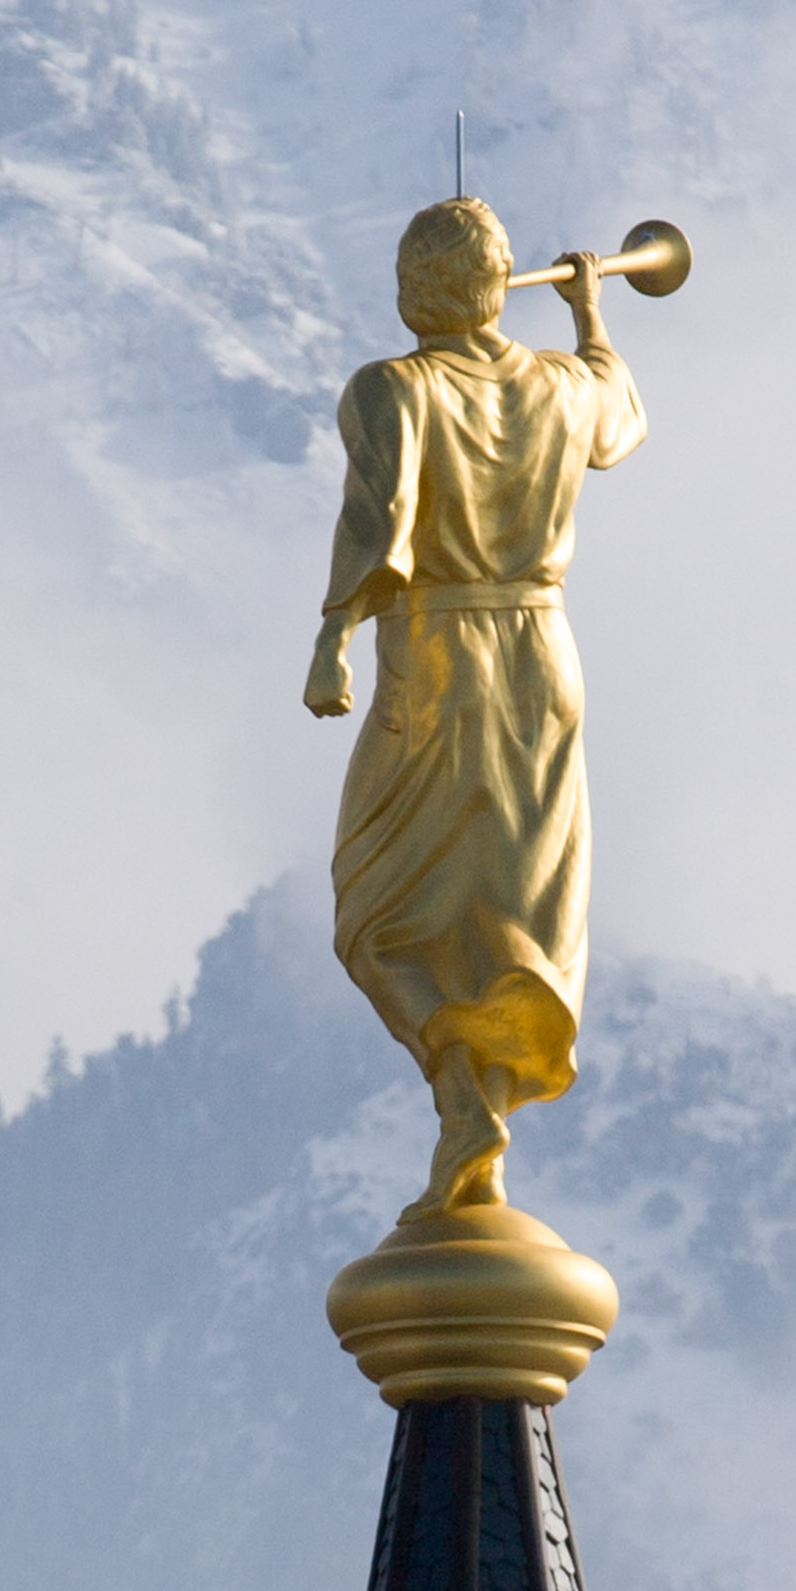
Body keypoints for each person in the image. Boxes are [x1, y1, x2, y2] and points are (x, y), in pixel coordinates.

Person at [306, 196, 646, 1218]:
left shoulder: (392, 389)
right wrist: (591, 311)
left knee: (375, 911)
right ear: (499, 288)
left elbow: (376, 519)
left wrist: (332, 641)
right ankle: (475, 1104)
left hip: (441, 656)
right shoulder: (560, 383)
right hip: (544, 659)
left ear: (419, 290)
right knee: (512, 908)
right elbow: (619, 415)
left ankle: (461, 1092)